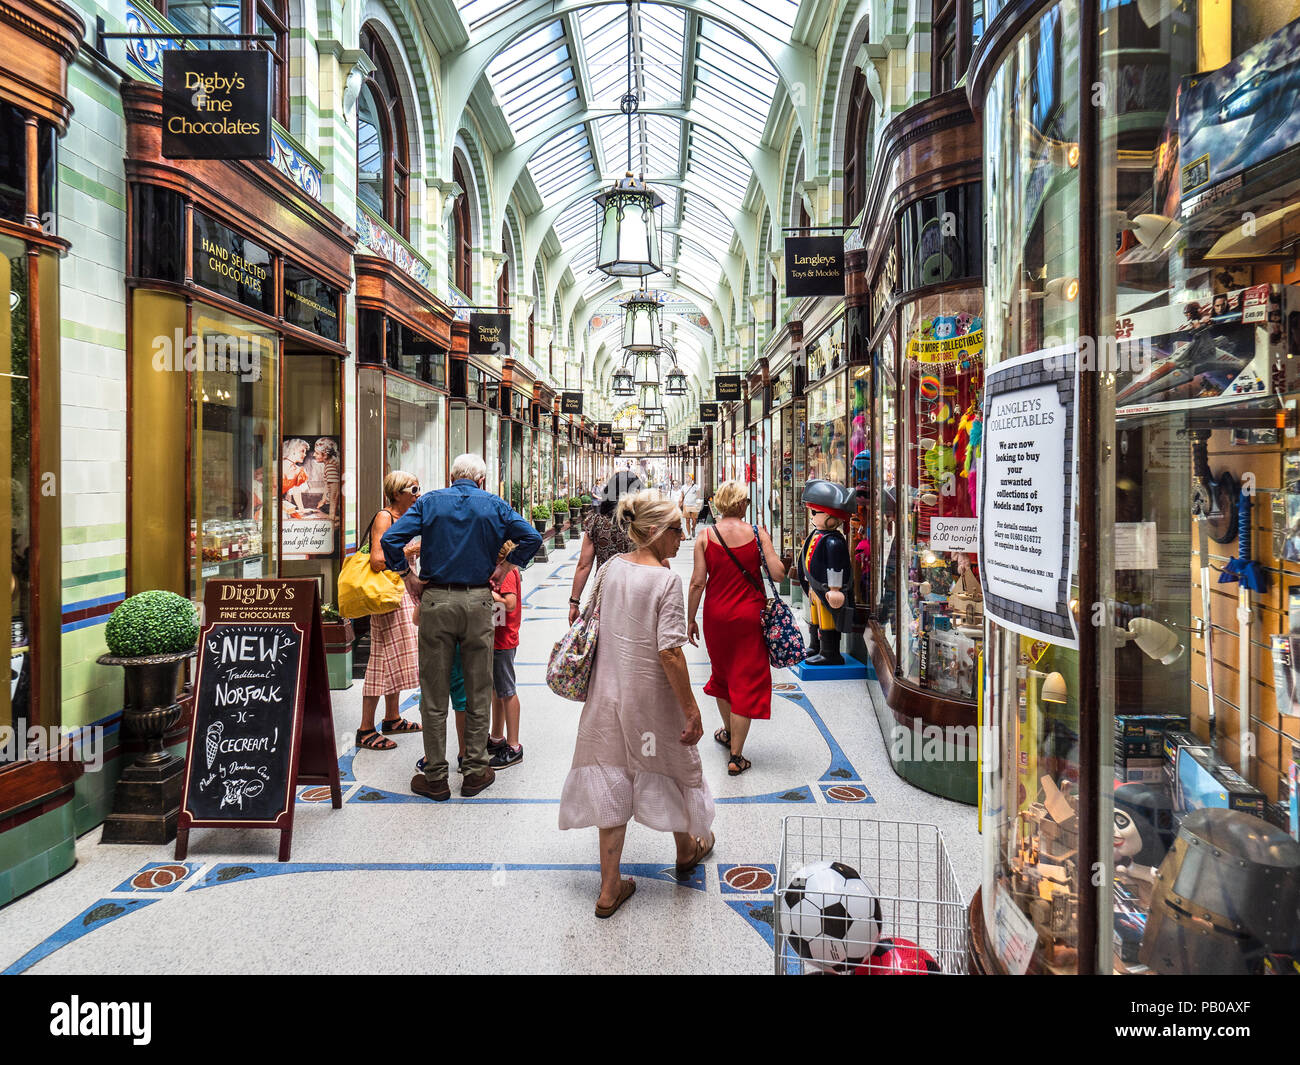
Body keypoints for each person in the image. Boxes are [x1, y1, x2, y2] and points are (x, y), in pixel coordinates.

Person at [558, 489, 713, 919]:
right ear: (651, 532)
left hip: (607, 696)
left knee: (611, 775)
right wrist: (691, 708)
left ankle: (610, 887)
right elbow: (669, 651)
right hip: (652, 700)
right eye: (676, 530)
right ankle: (686, 850)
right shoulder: (666, 581)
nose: (683, 538)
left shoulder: (610, 569)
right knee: (672, 766)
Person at [382, 453, 541, 801]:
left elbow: (390, 541)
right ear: (481, 481)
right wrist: (504, 569)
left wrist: (408, 576)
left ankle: (436, 777)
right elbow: (532, 538)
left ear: (450, 476)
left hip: (436, 602)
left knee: (434, 691)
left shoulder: (429, 503)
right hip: (478, 603)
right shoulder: (495, 504)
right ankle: (474, 771)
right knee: (479, 688)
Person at [686, 479, 789, 775]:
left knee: (723, 675)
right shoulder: (757, 533)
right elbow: (779, 575)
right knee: (746, 678)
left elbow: (696, 583)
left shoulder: (705, 536)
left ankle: (729, 732)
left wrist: (690, 618)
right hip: (749, 618)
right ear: (742, 504)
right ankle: (736, 755)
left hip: (716, 617)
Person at [357, 471, 425, 751]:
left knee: (395, 655)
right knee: (381, 658)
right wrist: (412, 550)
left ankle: (392, 717)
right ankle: (364, 729)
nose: (418, 493)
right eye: (413, 488)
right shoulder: (385, 517)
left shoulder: (404, 518)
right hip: (387, 596)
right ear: (397, 493)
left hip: (399, 592)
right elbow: (377, 559)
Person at [568, 471, 641, 624]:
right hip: (638, 589)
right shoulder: (642, 524)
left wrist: (574, 602)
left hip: (605, 589)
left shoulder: (596, 522)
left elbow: (584, 565)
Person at [489, 541, 524, 769]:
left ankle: (513, 746)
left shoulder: (508, 572)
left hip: (503, 639)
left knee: (507, 691)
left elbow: (509, 604)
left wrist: (491, 595)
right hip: (497, 638)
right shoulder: (503, 568)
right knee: (497, 691)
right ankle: (496, 737)